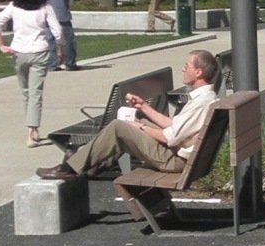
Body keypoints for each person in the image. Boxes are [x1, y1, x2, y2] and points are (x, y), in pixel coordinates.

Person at [36, 50, 219, 179]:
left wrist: (140, 127)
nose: (183, 69)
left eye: (186, 66)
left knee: (119, 127)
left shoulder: (201, 102)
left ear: (198, 72)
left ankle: (68, 168)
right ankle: (96, 163)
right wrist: (143, 107)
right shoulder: (206, 97)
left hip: (175, 160)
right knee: (134, 120)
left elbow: (169, 137)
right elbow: (174, 125)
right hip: (183, 155)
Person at [0, 0, 64, 148]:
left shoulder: (14, 6)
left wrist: (1, 45)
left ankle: (32, 128)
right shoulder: (45, 7)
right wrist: (60, 50)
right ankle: (32, 131)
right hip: (39, 52)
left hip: (19, 53)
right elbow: (58, 32)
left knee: (26, 92)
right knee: (35, 93)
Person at [41, 0, 79, 70]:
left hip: (45, 13)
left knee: (50, 39)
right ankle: (70, 63)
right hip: (60, 12)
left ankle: (52, 64)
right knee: (68, 38)